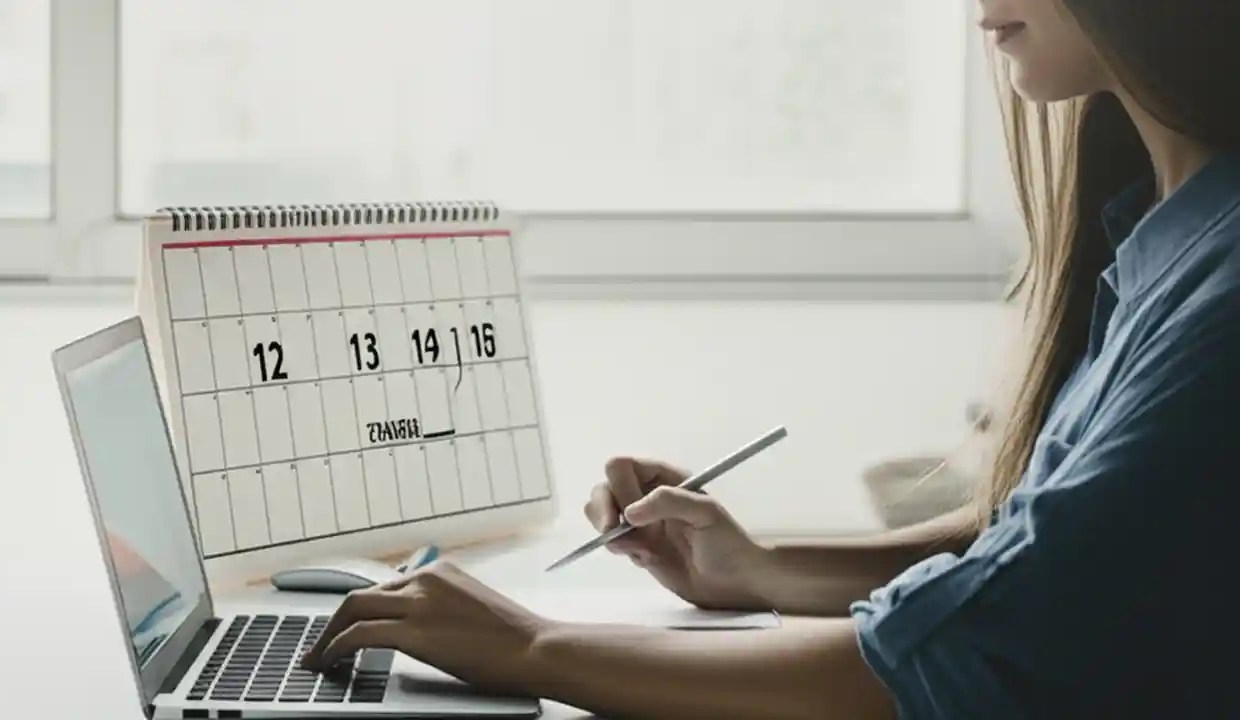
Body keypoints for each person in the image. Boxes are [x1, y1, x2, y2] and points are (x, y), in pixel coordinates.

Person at [303, 0, 1240, 716]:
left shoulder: (1224, 284)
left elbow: (962, 656)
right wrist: (757, 571)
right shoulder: (1167, 242)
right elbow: (1030, 562)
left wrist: (533, 646)